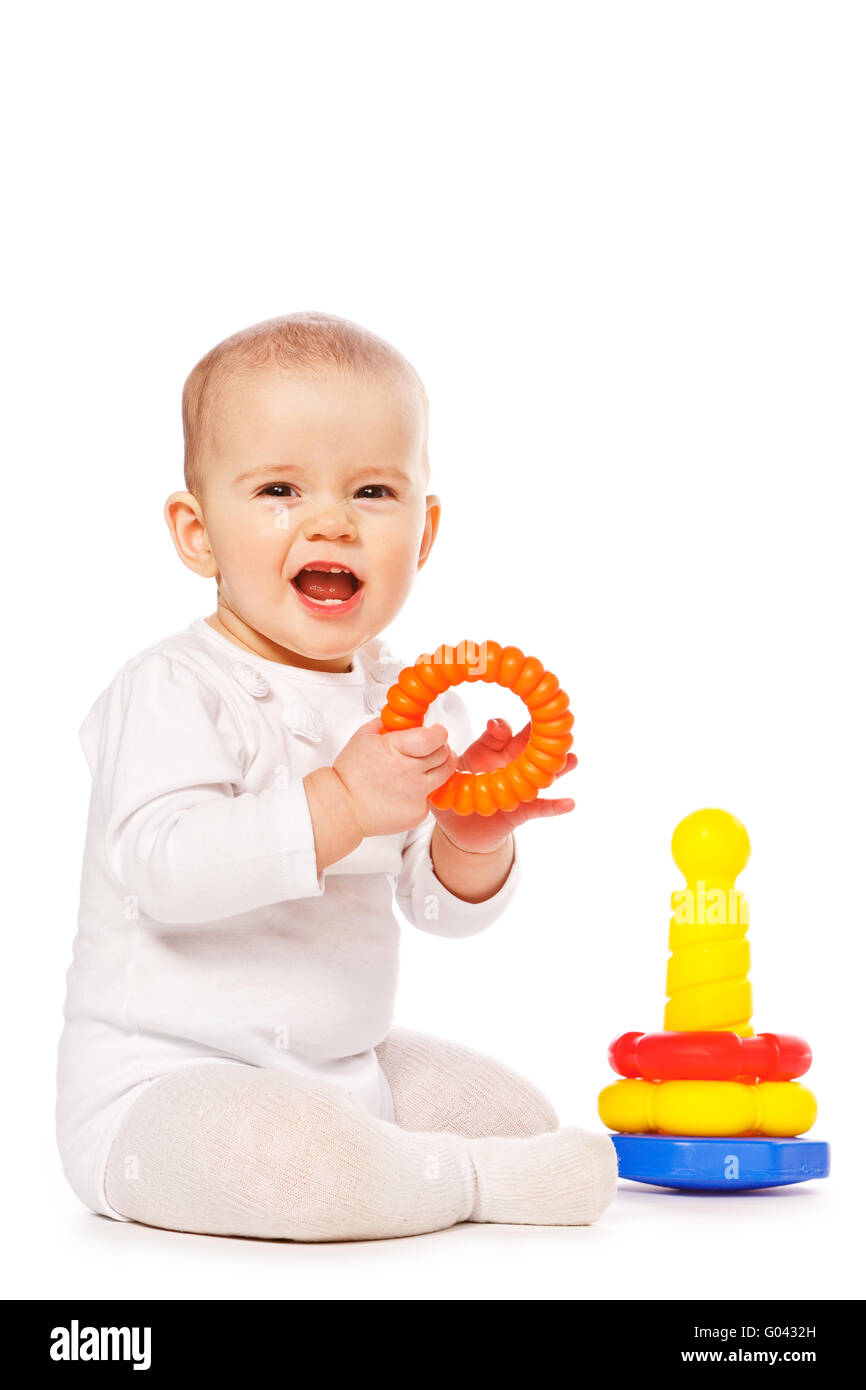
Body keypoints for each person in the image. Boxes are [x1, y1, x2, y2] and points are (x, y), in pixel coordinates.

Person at [55, 311, 618, 1241]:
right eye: (280, 488)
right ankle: (467, 1186)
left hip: (338, 1064)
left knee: (520, 1113)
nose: (331, 520)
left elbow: (436, 913)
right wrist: (343, 803)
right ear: (197, 534)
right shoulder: (169, 688)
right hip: (151, 1091)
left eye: (372, 490)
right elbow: (166, 874)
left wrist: (468, 842)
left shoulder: (412, 704)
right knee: (304, 1166)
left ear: (425, 530)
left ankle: (419, 1166)